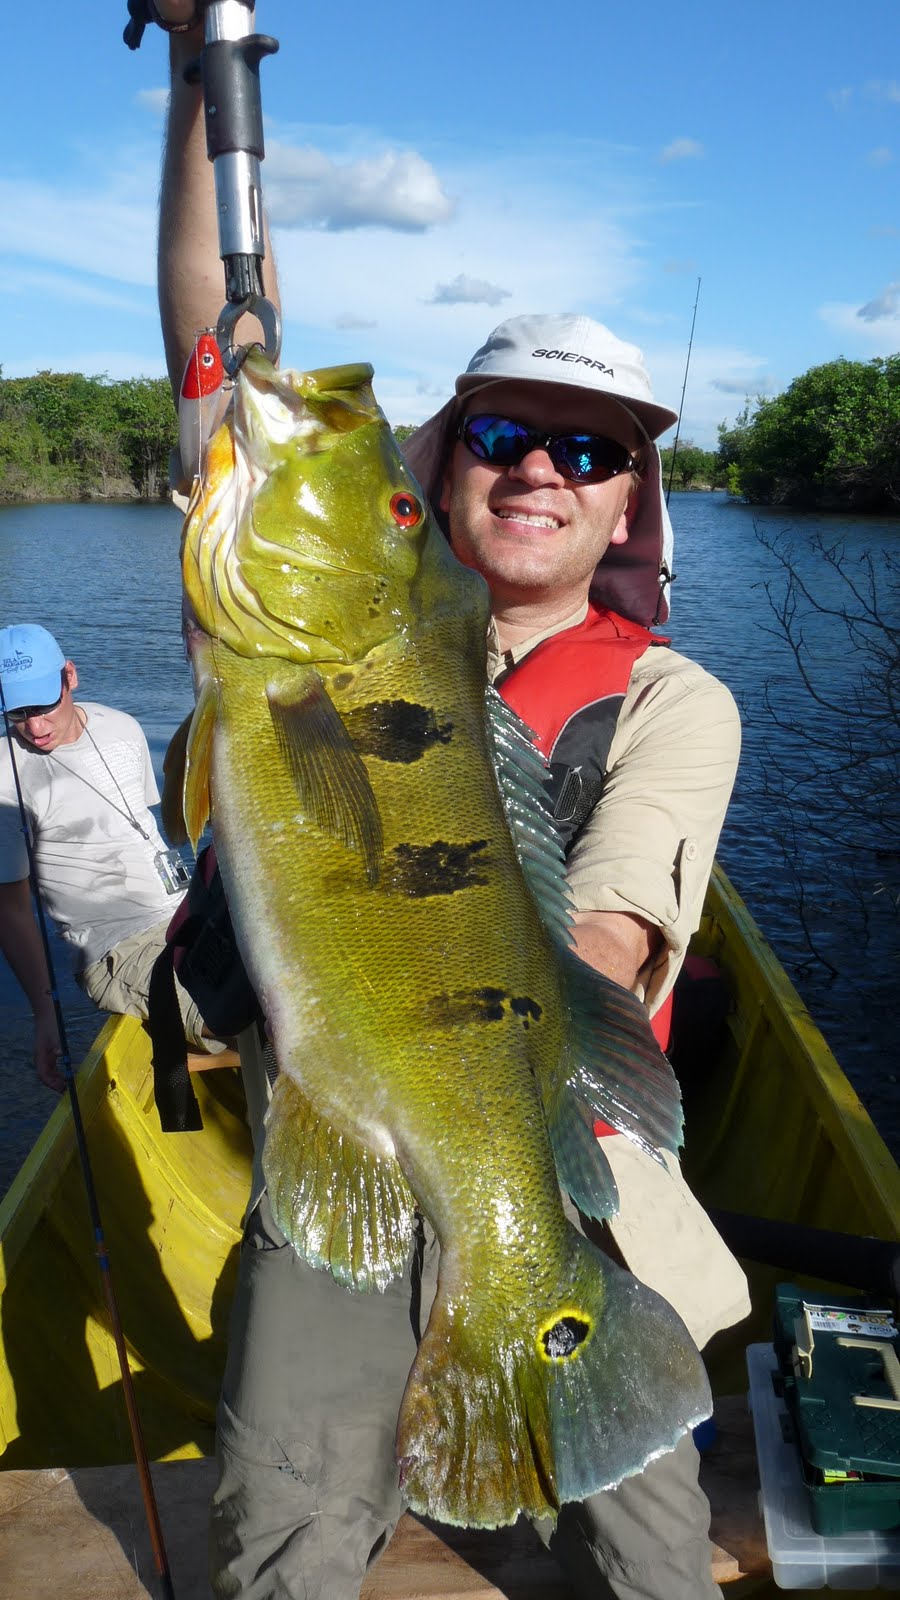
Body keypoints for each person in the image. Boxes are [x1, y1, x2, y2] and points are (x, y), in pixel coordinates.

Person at [150, 8, 749, 1598]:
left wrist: (492, 1165)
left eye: (587, 447)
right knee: (285, 1521)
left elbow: (608, 942)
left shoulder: (674, 703)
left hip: (567, 1151)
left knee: (651, 1548)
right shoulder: (309, 632)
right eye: (500, 433)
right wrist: (191, 88)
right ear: (442, 462)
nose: (541, 467)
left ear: (626, 496)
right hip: (329, 1120)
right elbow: (220, 343)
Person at [0, 623, 207, 1090]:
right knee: (240, 1013)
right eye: (16, 714)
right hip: (117, 946)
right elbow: (10, 911)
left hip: (185, 912)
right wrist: (44, 1013)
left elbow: (147, 830)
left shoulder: (122, 728)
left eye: (44, 705)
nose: (35, 727)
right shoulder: (2, 778)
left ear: (69, 677)